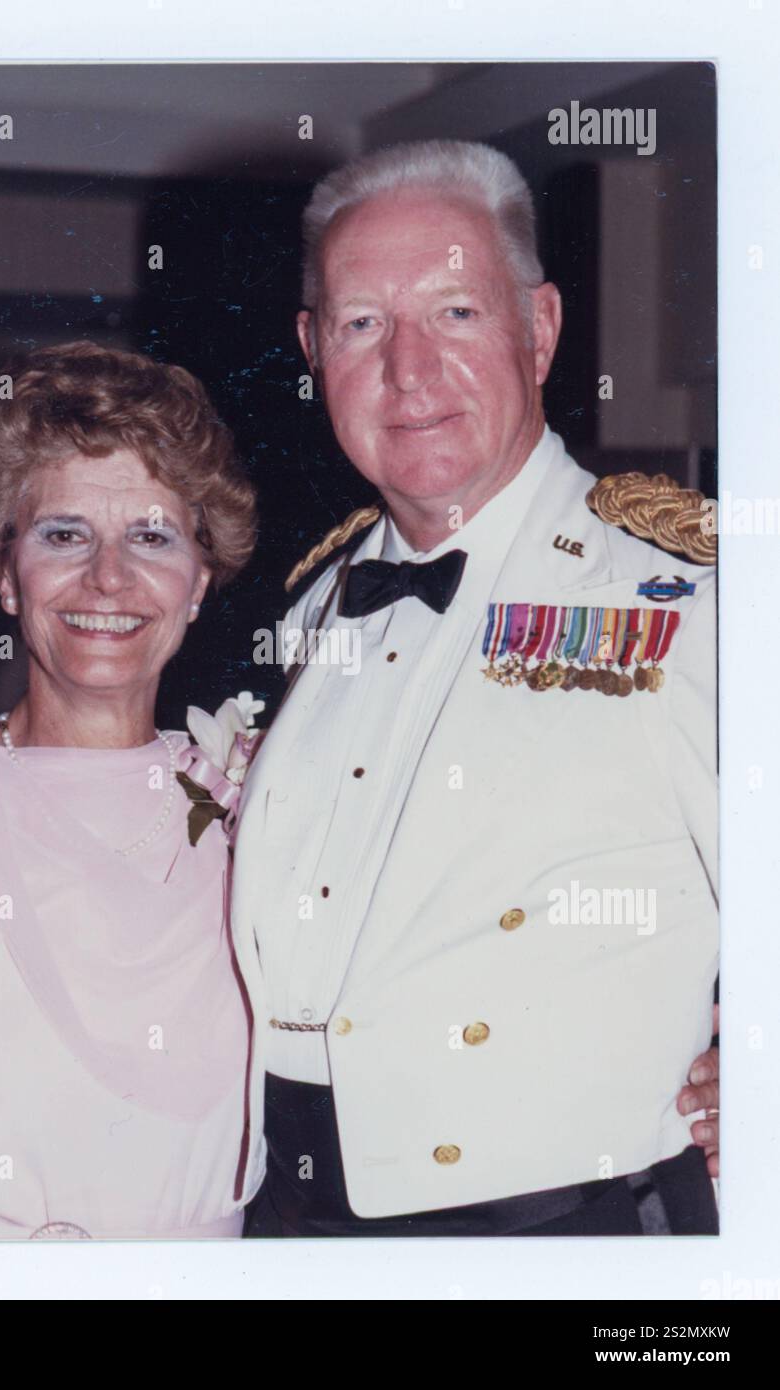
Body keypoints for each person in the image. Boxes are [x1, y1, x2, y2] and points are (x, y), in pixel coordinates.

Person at [231, 140, 721, 1236]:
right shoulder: (313, 610)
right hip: (289, 1222)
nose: (407, 370)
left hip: (558, 1234)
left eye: (454, 312)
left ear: (538, 330)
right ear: (313, 350)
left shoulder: (692, 599)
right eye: (362, 324)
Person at [0, 341, 258, 1239]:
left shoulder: (263, 816)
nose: (108, 577)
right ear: (5, 571)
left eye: (151, 535)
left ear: (199, 580)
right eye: (64, 535)